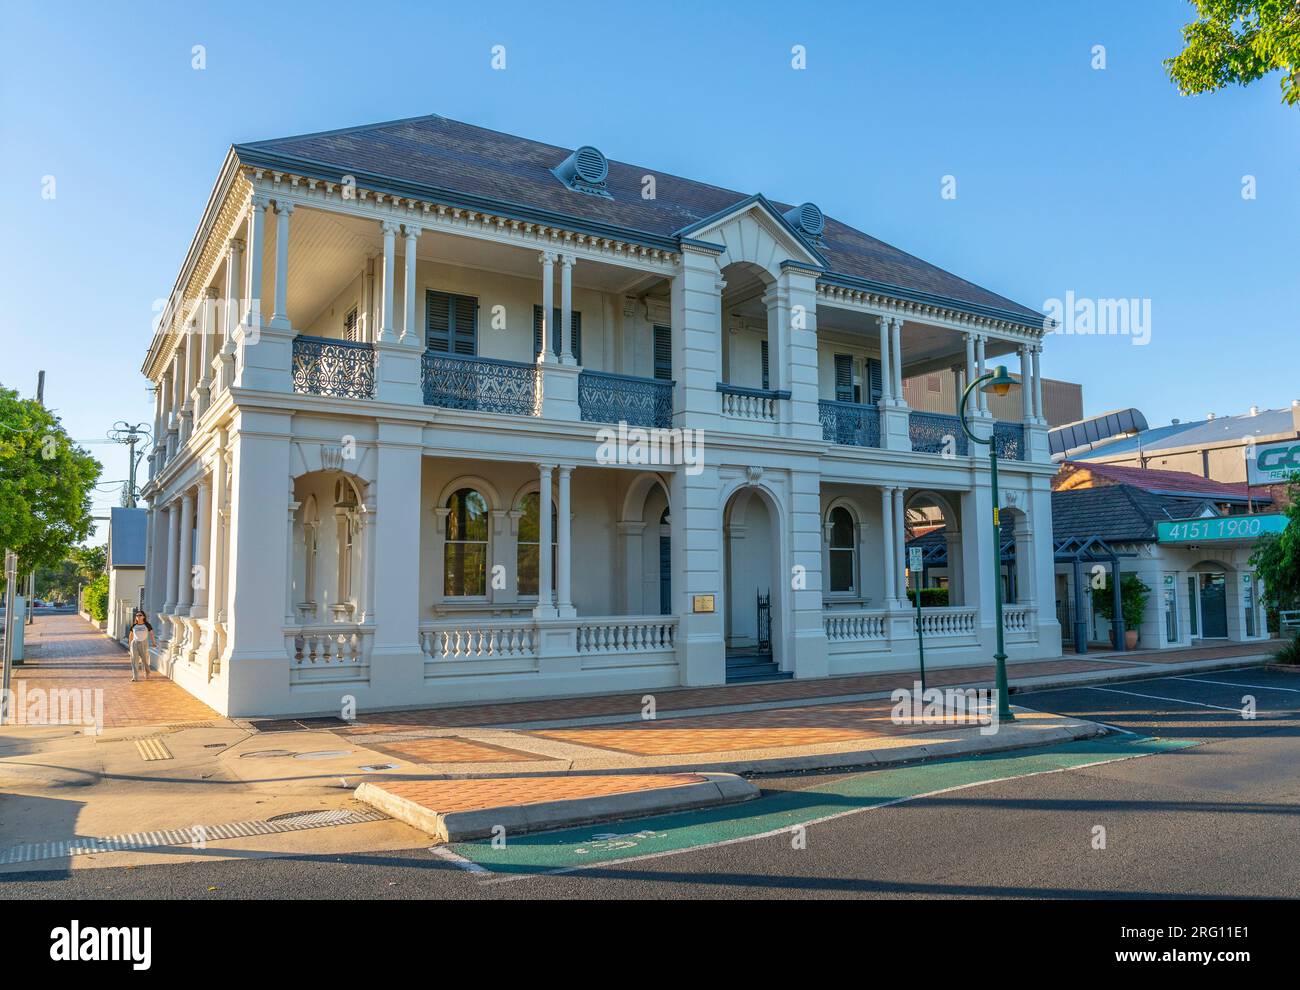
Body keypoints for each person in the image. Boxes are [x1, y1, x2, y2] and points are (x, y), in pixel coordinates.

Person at [128, 610, 156, 682]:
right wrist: (130, 645)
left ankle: (147, 673)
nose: (138, 617)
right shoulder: (134, 626)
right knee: (134, 661)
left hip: (144, 643)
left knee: (145, 660)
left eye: (140, 615)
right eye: (137, 615)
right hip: (134, 644)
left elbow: (151, 634)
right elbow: (130, 635)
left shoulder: (147, 625)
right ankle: (135, 677)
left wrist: (153, 643)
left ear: (143, 616)